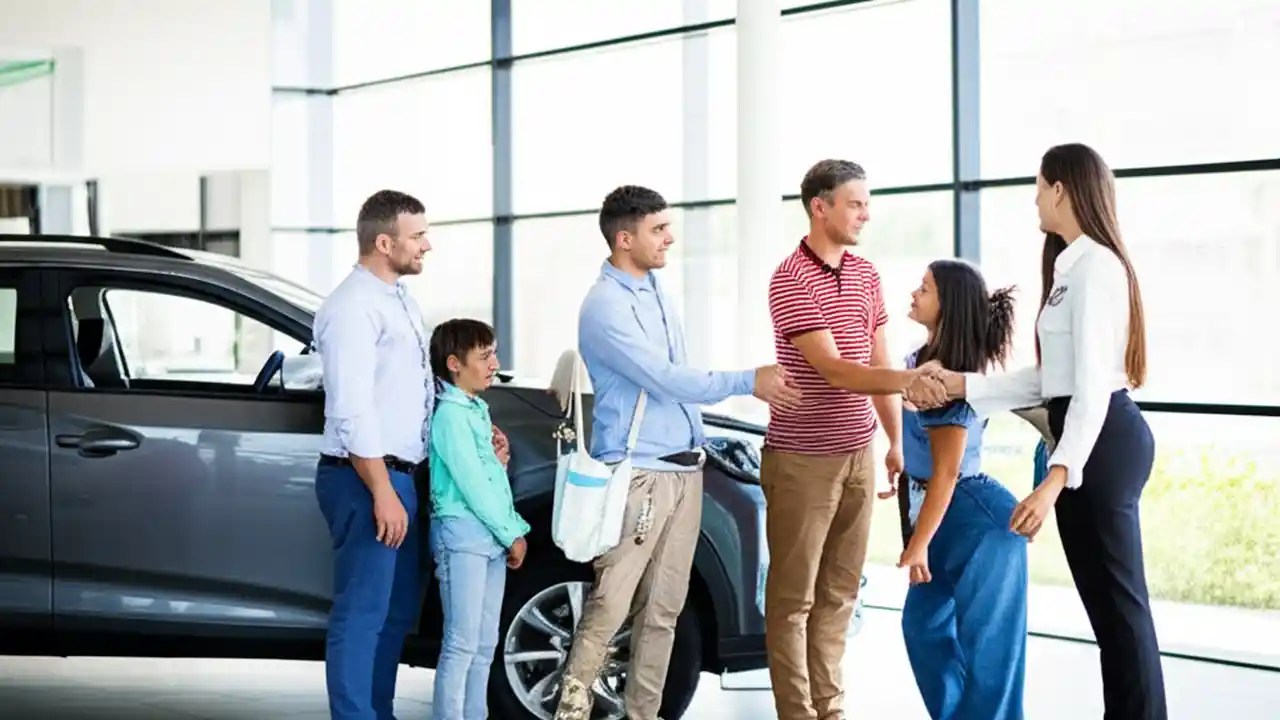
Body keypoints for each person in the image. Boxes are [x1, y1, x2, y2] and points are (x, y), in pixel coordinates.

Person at [929, 142, 1167, 719]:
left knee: (1121, 608)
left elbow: (1087, 389)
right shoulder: (1070, 267)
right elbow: (1049, 380)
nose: (1035, 198)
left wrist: (1053, 480)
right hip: (1089, 438)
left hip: (1101, 442)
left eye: (1039, 186)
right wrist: (962, 385)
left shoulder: (1096, 268)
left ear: (1061, 189)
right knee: (1108, 613)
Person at [553, 185, 802, 720]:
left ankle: (643, 715)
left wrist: (701, 443)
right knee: (611, 603)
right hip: (640, 476)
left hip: (683, 471)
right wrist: (745, 380)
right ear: (625, 239)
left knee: (663, 611)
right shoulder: (605, 306)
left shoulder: (656, 291)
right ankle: (570, 708)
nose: (670, 237)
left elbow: (674, 386)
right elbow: (663, 379)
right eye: (658, 229)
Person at [762, 159, 944, 720]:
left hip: (858, 455)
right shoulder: (789, 278)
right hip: (801, 461)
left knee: (841, 595)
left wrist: (895, 441)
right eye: (855, 203)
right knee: (795, 601)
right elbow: (836, 370)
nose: (866, 213)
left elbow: (878, 361)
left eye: (867, 203)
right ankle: (798, 714)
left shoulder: (866, 274)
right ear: (821, 206)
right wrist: (914, 381)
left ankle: (831, 710)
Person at [312, 189, 434, 720]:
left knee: (394, 612)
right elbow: (352, 409)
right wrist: (382, 489)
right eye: (418, 236)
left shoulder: (401, 299)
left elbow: (411, 390)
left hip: (401, 477)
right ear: (384, 242)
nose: (428, 245)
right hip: (365, 478)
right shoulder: (352, 308)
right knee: (362, 613)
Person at [893, 259, 1028, 720]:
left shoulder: (950, 377)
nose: (914, 293)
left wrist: (919, 543)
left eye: (925, 289)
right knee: (922, 627)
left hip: (977, 522)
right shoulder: (919, 359)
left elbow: (947, 471)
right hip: (938, 511)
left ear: (947, 305)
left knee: (989, 654)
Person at [427, 318, 531, 720]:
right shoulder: (451, 416)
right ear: (454, 363)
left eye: (494, 354)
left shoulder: (474, 411)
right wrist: (514, 532)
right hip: (464, 535)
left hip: (487, 536)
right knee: (461, 643)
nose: (494, 363)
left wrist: (497, 461)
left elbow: (484, 477)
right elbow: (471, 485)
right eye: (484, 356)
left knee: (485, 643)